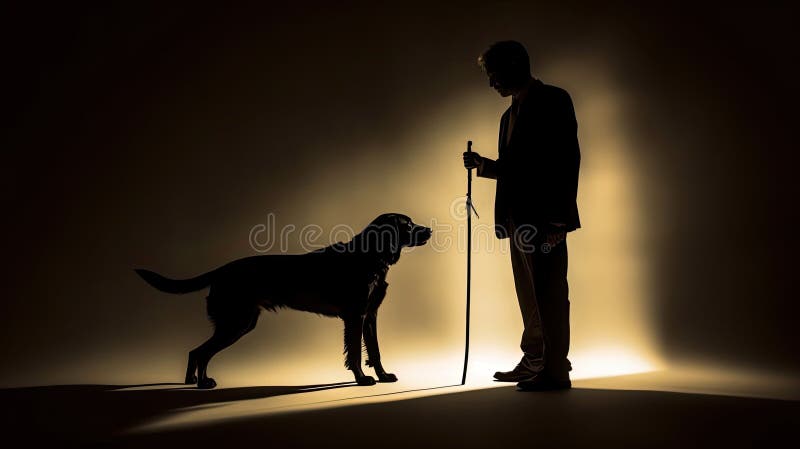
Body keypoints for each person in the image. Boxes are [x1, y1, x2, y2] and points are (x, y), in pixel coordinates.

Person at [463, 41, 581, 391]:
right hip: (518, 220)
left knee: (550, 293)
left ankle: (555, 369)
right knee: (530, 294)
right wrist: (483, 165)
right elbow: (517, 168)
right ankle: (534, 360)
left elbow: (566, 160)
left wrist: (559, 220)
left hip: (546, 220)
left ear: (515, 65)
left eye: (494, 74)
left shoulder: (554, 100)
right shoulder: (508, 115)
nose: (491, 83)